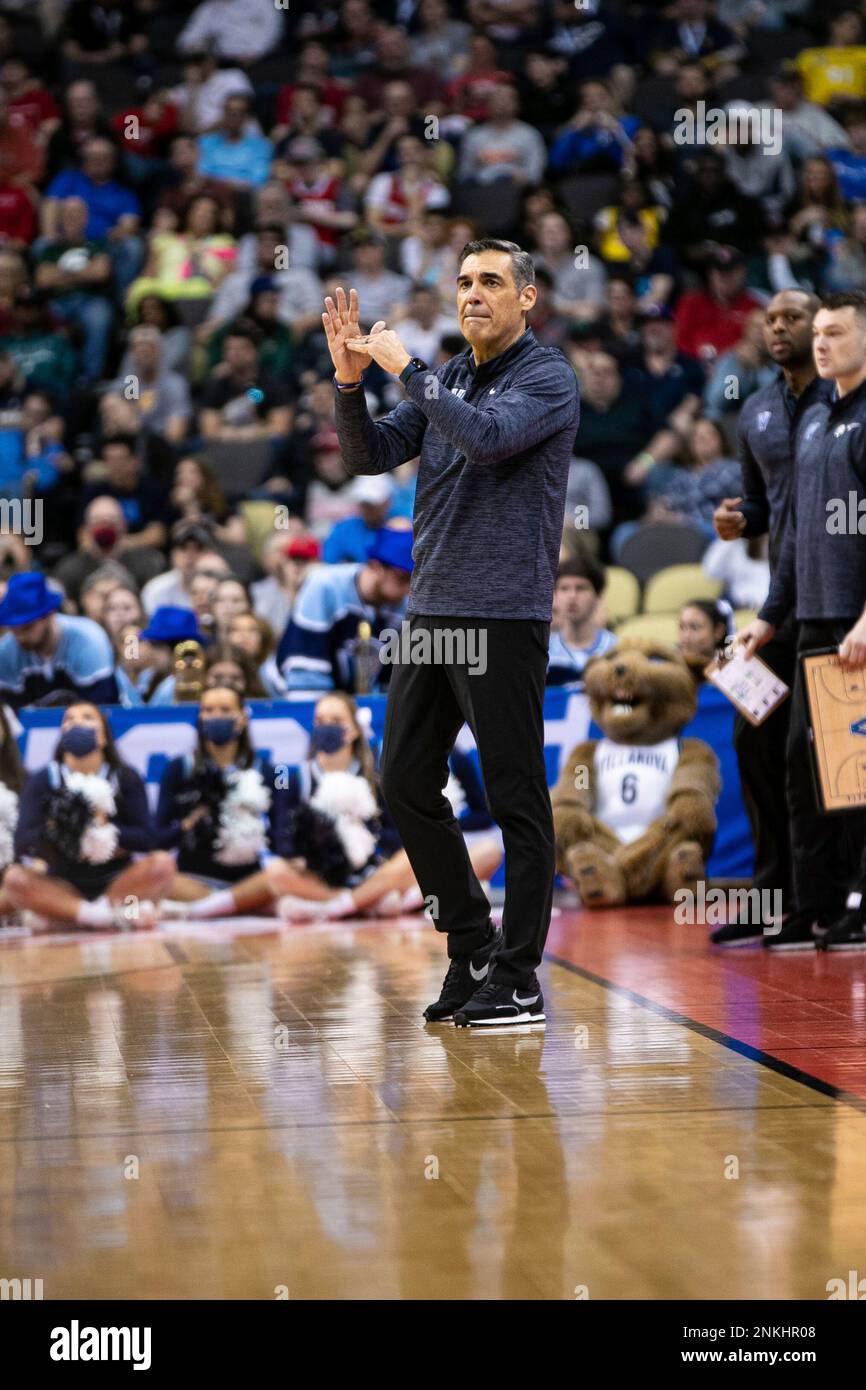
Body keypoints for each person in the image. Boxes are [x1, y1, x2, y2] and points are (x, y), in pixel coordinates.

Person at [328, 235, 580, 1028]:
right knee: (402, 780)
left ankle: (520, 975)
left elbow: (486, 438)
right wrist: (347, 382)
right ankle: (470, 941)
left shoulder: (547, 378)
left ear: (526, 298)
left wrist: (409, 369)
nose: (473, 292)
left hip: (502, 615)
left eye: (491, 281)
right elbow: (370, 454)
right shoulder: (455, 376)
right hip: (429, 612)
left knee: (515, 798)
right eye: (464, 280)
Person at [738, 291, 866, 950]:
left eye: (835, 332)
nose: (820, 343)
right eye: (819, 333)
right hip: (813, 617)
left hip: (855, 621)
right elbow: (794, 537)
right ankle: (811, 906)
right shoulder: (815, 417)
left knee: (858, 773)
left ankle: (858, 903)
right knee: (805, 769)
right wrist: (768, 618)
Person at [711, 288, 826, 945]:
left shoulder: (842, 401)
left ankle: (824, 892)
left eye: (793, 317)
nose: (778, 327)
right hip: (779, 598)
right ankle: (769, 893)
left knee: (810, 748)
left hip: (832, 597)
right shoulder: (754, 408)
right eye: (772, 319)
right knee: (750, 732)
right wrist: (738, 519)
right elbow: (758, 504)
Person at [265, 692, 503, 922]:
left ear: (355, 729)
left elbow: (394, 836)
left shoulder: (374, 777)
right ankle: (361, 902)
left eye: (336, 721)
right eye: (320, 721)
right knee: (275, 872)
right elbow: (284, 840)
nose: (327, 727)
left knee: (420, 858)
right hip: (321, 877)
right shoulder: (299, 778)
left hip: (374, 874)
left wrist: (365, 842)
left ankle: (343, 906)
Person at [4, 702, 173, 932]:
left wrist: (106, 830)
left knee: (163, 865)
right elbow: (24, 842)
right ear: (62, 733)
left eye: (87, 717)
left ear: (103, 737)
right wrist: (64, 834)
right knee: (15, 880)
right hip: (63, 881)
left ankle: (74, 917)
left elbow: (148, 839)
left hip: (116, 879)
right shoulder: (45, 779)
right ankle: (102, 916)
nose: (77, 724)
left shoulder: (125, 777)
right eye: (69, 719)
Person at [156, 684, 286, 919]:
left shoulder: (270, 772)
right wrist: (189, 822)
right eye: (208, 710)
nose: (216, 717)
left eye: (225, 710)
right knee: (156, 871)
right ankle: (232, 905)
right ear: (200, 718)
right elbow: (158, 838)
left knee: (283, 874)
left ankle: (206, 909)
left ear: (241, 719)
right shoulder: (179, 769)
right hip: (192, 880)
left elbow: (282, 840)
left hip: (249, 879)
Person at [276, 526, 413, 693]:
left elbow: (394, 682)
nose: (409, 588)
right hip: (292, 700)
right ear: (376, 567)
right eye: (403, 579)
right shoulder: (325, 586)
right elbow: (305, 676)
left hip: (358, 705)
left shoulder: (404, 604)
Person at [0, 572, 118, 709]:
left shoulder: (88, 640)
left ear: (48, 615)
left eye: (27, 627)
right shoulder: (6, 652)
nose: (20, 636)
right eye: (13, 628)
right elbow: (12, 719)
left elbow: (103, 710)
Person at [547, 557, 617, 688]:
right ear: (555, 595)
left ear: (598, 596)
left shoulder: (616, 650)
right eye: (564, 588)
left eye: (581, 588)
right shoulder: (544, 652)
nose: (572, 596)